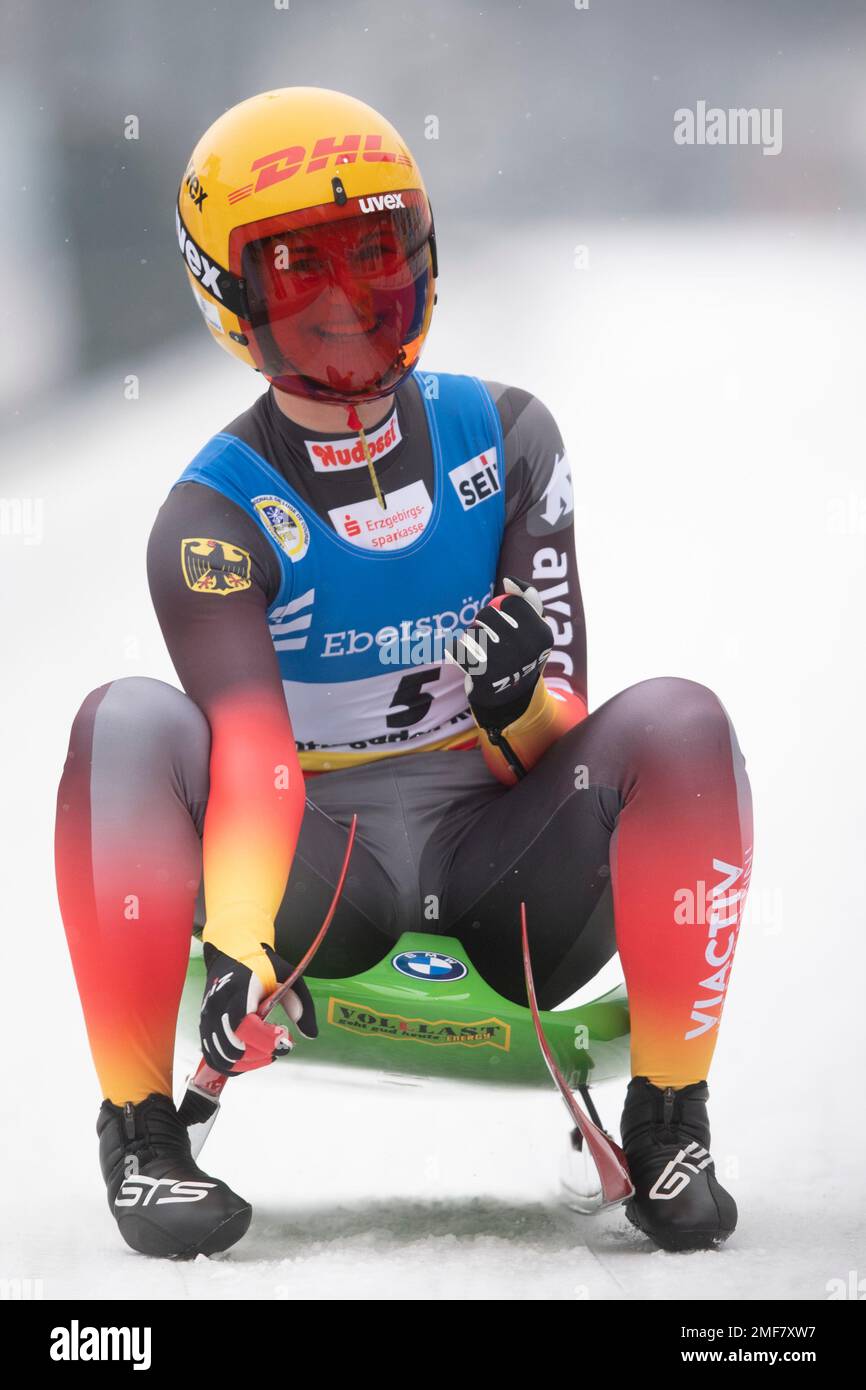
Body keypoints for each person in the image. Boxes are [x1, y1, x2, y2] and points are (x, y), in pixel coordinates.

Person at [55, 87, 753, 1259]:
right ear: (231, 294)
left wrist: (514, 705)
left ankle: (670, 1117)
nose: (344, 300)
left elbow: (569, 729)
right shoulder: (210, 515)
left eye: (371, 252)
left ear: (422, 253)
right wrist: (237, 949)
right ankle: (141, 1132)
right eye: (299, 268)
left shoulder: (510, 436)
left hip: (503, 869)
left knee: (683, 722)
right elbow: (254, 756)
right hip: (317, 874)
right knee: (122, 722)